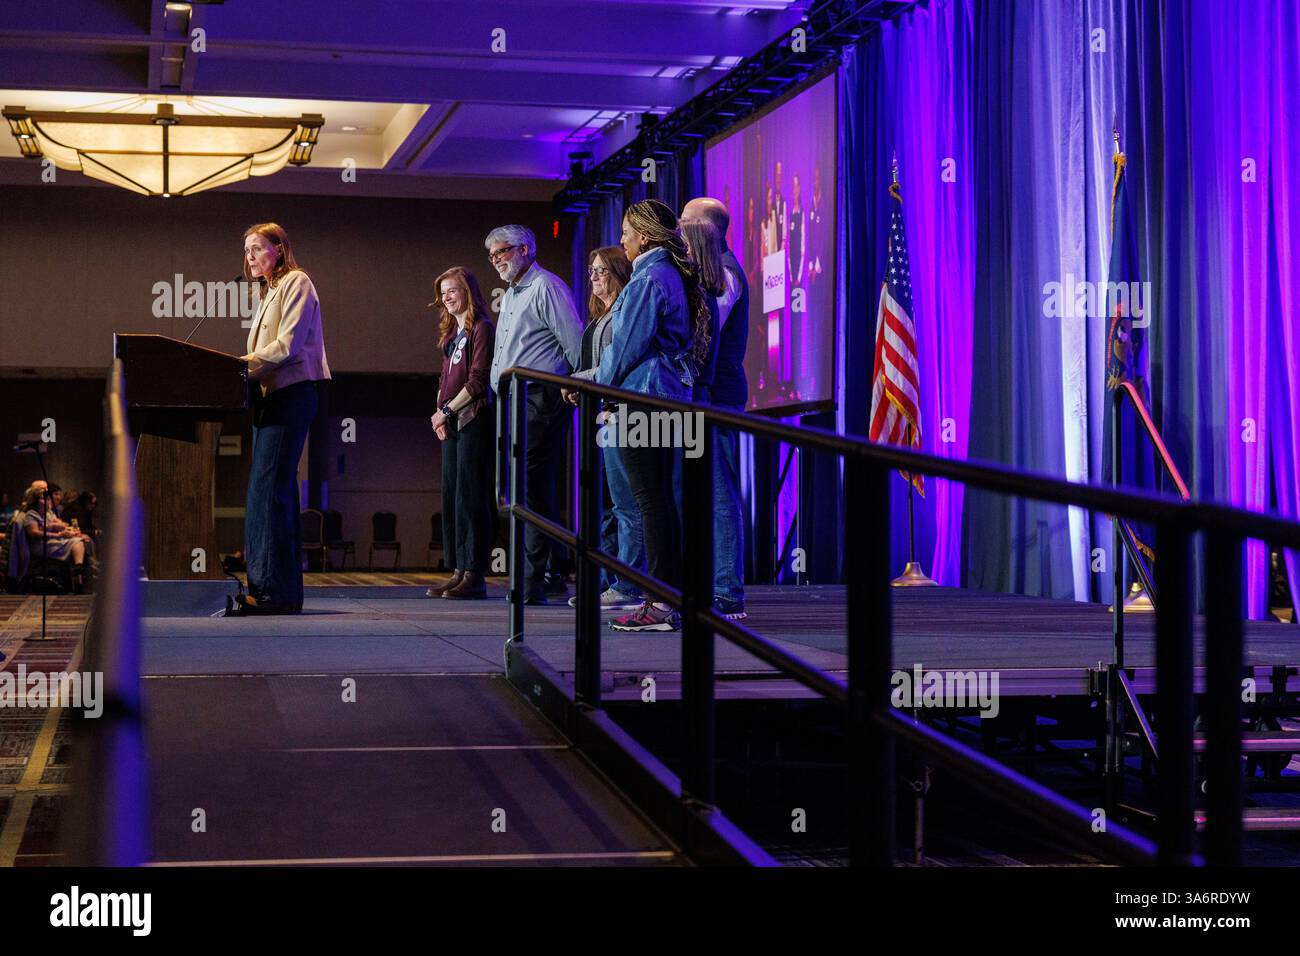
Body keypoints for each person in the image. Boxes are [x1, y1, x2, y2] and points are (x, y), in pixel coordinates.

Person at [578, 199, 713, 632]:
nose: (621, 240)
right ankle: (667, 598)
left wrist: (589, 385)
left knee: (650, 503)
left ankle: (660, 602)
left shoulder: (648, 278)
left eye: (625, 232)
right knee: (658, 504)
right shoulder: (669, 273)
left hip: (644, 400)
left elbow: (625, 349)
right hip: (664, 398)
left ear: (646, 235)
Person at [230, 222, 331, 615]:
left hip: (291, 394)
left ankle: (271, 592)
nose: (250, 257)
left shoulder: (297, 282)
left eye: (257, 248)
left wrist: (236, 368)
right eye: (247, 250)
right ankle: (279, 590)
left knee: (268, 492)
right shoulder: (269, 291)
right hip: (269, 398)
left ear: (279, 248)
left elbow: (286, 347)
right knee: (273, 492)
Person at [485, 224, 584, 605]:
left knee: (529, 488)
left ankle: (531, 581)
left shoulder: (546, 287)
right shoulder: (512, 294)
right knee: (529, 489)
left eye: (502, 252)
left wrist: (572, 385)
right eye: (492, 255)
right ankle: (553, 570)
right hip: (512, 399)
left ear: (525, 248)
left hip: (541, 397)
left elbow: (574, 345)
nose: (496, 260)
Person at [563, 246, 643, 612]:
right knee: (607, 508)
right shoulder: (598, 319)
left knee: (628, 506)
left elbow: (618, 368)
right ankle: (610, 582)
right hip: (602, 418)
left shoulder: (627, 314)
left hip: (627, 416)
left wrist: (580, 381)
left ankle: (629, 585)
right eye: (591, 271)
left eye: (600, 271)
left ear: (619, 272)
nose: (593, 277)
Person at [682, 197, 750, 620]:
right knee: (704, 491)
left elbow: (706, 332)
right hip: (703, 395)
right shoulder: (709, 270)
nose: (678, 227)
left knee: (720, 492)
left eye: (685, 221)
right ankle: (708, 584)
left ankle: (728, 591)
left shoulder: (724, 273)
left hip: (717, 396)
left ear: (705, 227)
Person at [428, 267, 496, 600]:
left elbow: (478, 381)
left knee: (470, 497)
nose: (447, 297)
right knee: (452, 496)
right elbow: (445, 381)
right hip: (452, 424)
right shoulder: (452, 336)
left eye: (453, 290)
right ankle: (457, 570)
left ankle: (474, 573)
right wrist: (440, 415)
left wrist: (447, 411)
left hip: (472, 421)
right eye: (443, 293)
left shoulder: (481, 329)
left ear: (468, 291)